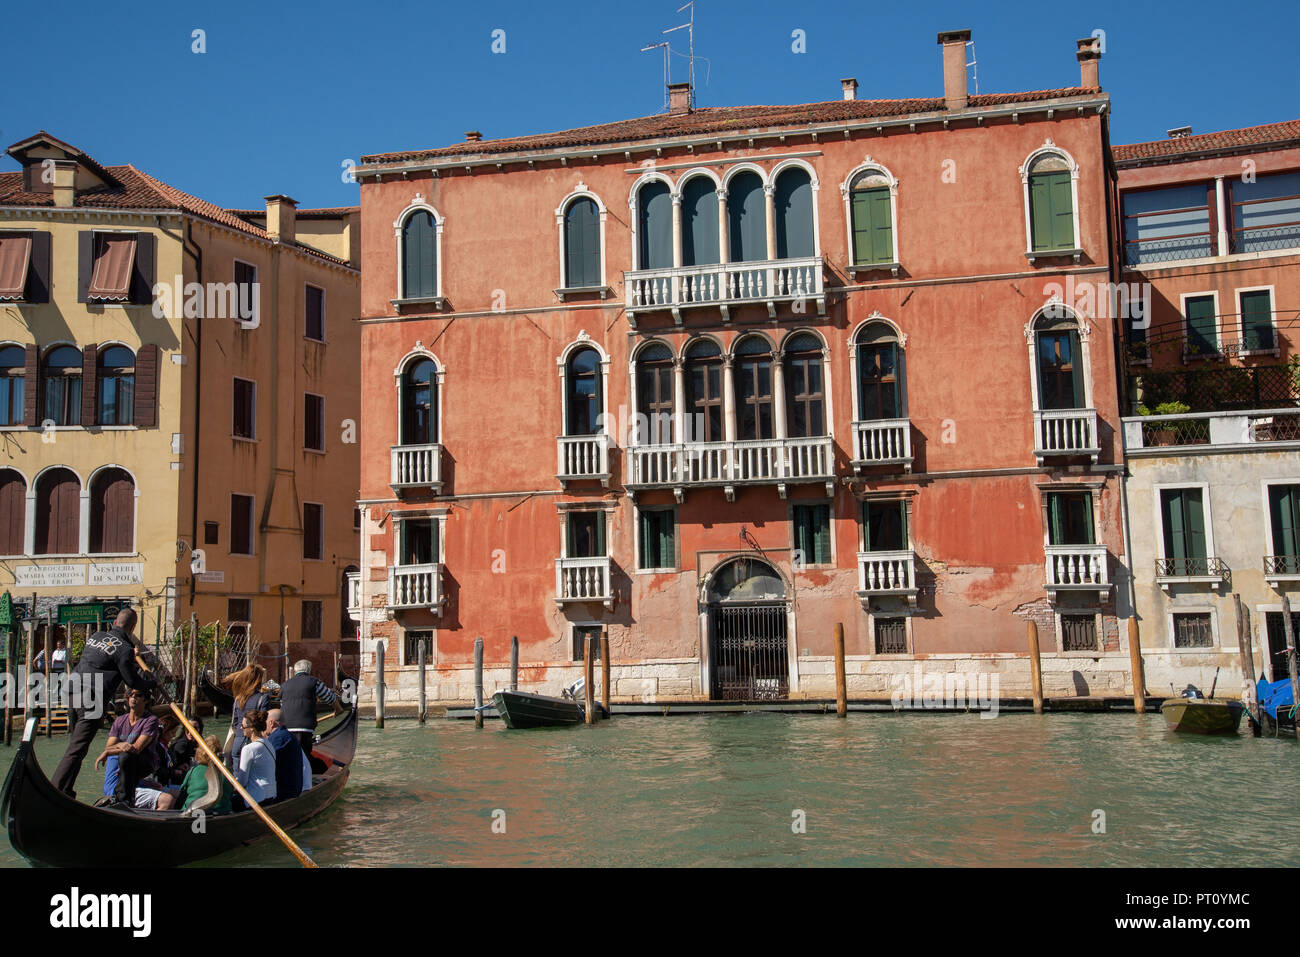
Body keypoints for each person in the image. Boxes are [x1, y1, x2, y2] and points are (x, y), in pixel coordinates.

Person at [51, 608, 156, 797]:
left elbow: (104, 657)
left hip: (72, 691)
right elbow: (132, 682)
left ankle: (65, 790)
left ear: (115, 622)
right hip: (91, 699)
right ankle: (55, 791)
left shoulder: (96, 636)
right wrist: (151, 682)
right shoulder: (125, 650)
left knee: (75, 747)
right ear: (132, 627)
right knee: (77, 749)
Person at [93, 688, 160, 807]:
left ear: (146, 700)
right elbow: (109, 747)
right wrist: (120, 745)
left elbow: (136, 748)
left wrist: (111, 751)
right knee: (118, 757)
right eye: (130, 694)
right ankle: (113, 795)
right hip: (125, 759)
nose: (133, 697)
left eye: (138, 695)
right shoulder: (119, 721)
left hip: (144, 762)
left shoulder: (151, 720)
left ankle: (124, 799)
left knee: (125, 755)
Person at [280, 659, 341, 772]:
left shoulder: (284, 685)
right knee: (303, 755)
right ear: (309, 671)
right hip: (304, 727)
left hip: (286, 727)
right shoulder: (313, 682)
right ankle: (306, 780)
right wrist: (338, 709)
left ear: (294, 671)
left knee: (291, 754)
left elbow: (282, 707)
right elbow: (329, 697)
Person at [224, 664, 272, 769]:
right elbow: (264, 723)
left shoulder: (238, 699)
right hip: (254, 742)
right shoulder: (263, 698)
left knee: (237, 777)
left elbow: (235, 723)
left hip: (238, 741)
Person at [178, 734, 232, 814]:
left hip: (192, 812)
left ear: (200, 753)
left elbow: (182, 795)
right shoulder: (228, 772)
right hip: (221, 812)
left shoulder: (193, 771)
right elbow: (229, 794)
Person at [265, 708, 311, 800]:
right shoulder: (286, 735)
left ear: (271, 723)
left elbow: (266, 762)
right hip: (295, 786)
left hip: (287, 791)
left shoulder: (278, 738)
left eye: (264, 722)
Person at [235, 709, 276, 805]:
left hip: (256, 799)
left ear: (252, 728)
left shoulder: (248, 749)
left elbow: (242, 782)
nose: (241, 728)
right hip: (271, 795)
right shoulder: (269, 744)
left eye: (243, 726)